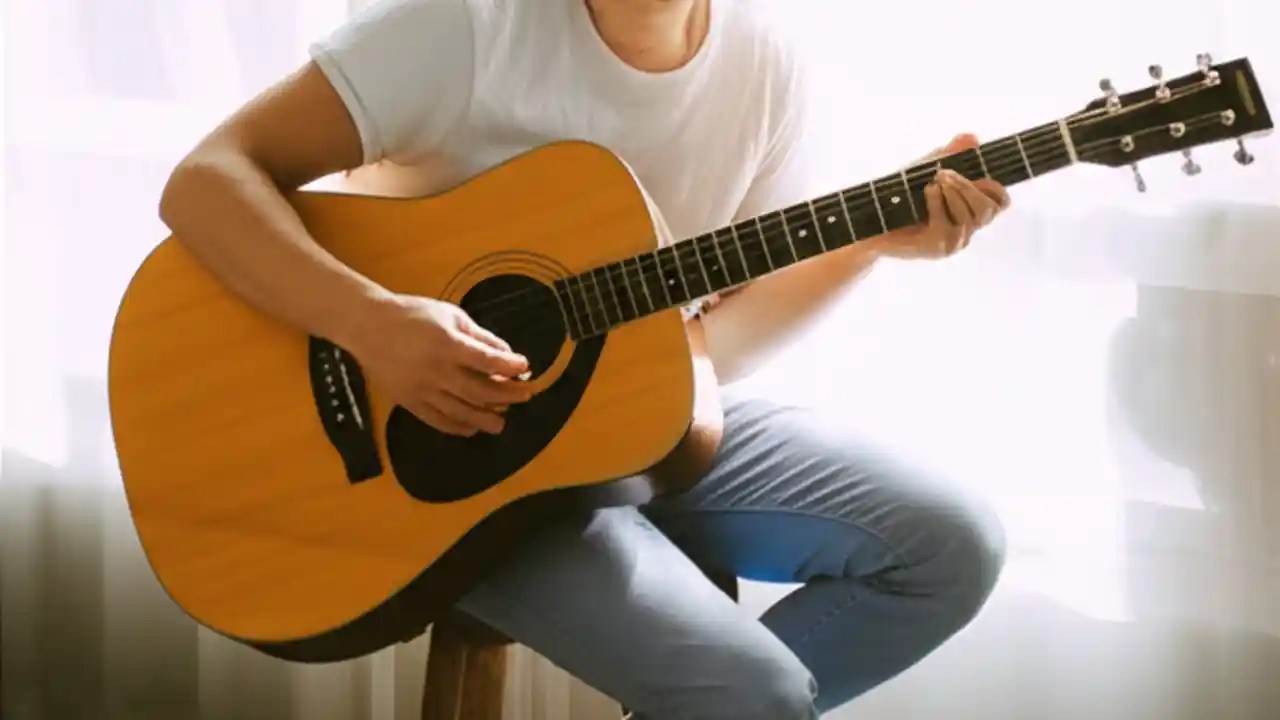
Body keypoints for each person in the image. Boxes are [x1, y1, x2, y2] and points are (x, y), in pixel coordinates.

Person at [158, 0, 1011, 717]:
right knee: (760, 694)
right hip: (434, 471)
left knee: (952, 547)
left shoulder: (763, 66)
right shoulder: (466, 25)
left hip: (636, 424)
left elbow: (712, 345)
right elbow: (205, 178)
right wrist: (372, 323)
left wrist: (865, 246)